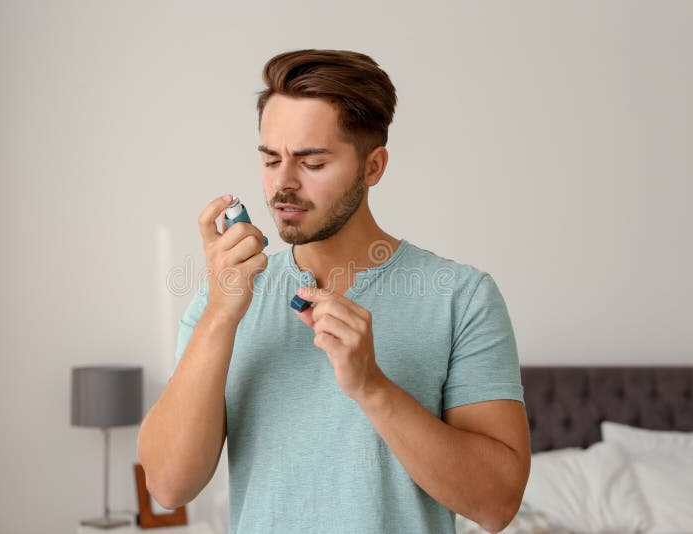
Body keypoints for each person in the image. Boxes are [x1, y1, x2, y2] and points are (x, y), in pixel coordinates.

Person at [137, 49, 530, 534]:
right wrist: (220, 313)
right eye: (270, 159)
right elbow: (169, 486)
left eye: (313, 163)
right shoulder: (226, 294)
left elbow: (496, 504)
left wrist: (372, 387)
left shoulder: (462, 297)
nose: (283, 185)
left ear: (373, 167)